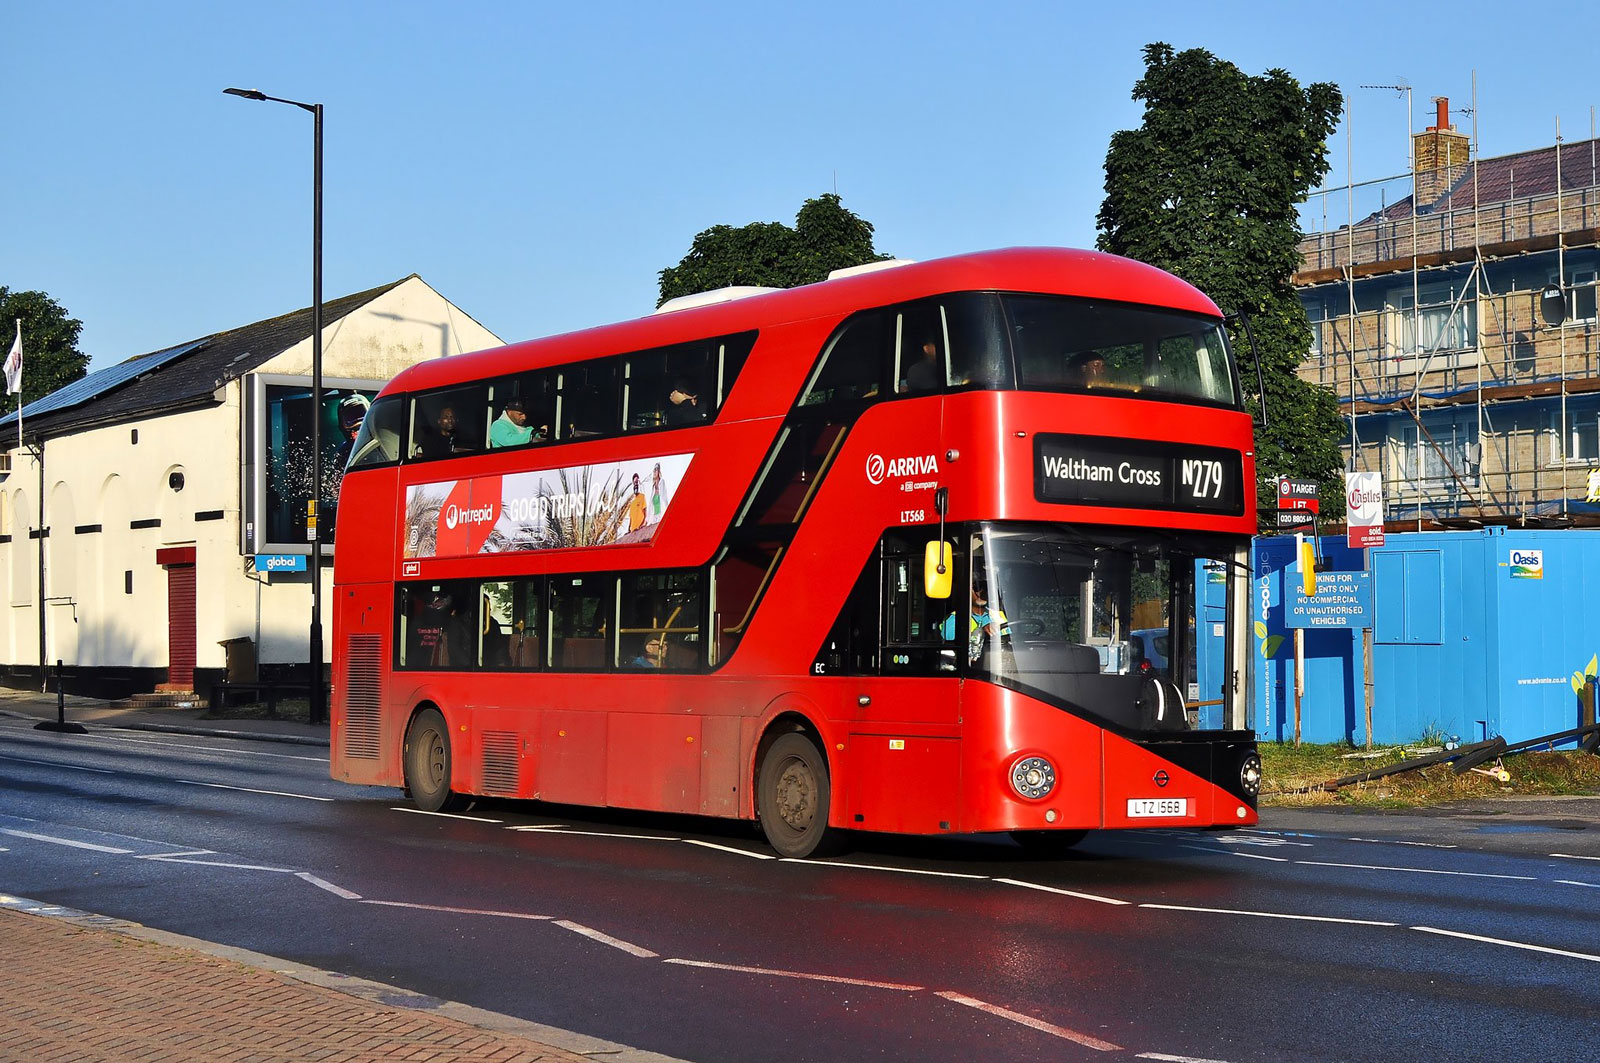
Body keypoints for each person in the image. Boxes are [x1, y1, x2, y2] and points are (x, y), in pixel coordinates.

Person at [942, 580, 1009, 665]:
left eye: (985, 588)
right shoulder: (954, 619)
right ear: (967, 591)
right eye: (976, 588)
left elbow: (1011, 642)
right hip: (972, 670)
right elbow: (951, 652)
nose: (981, 592)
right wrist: (983, 632)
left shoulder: (999, 616)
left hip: (1002, 664)